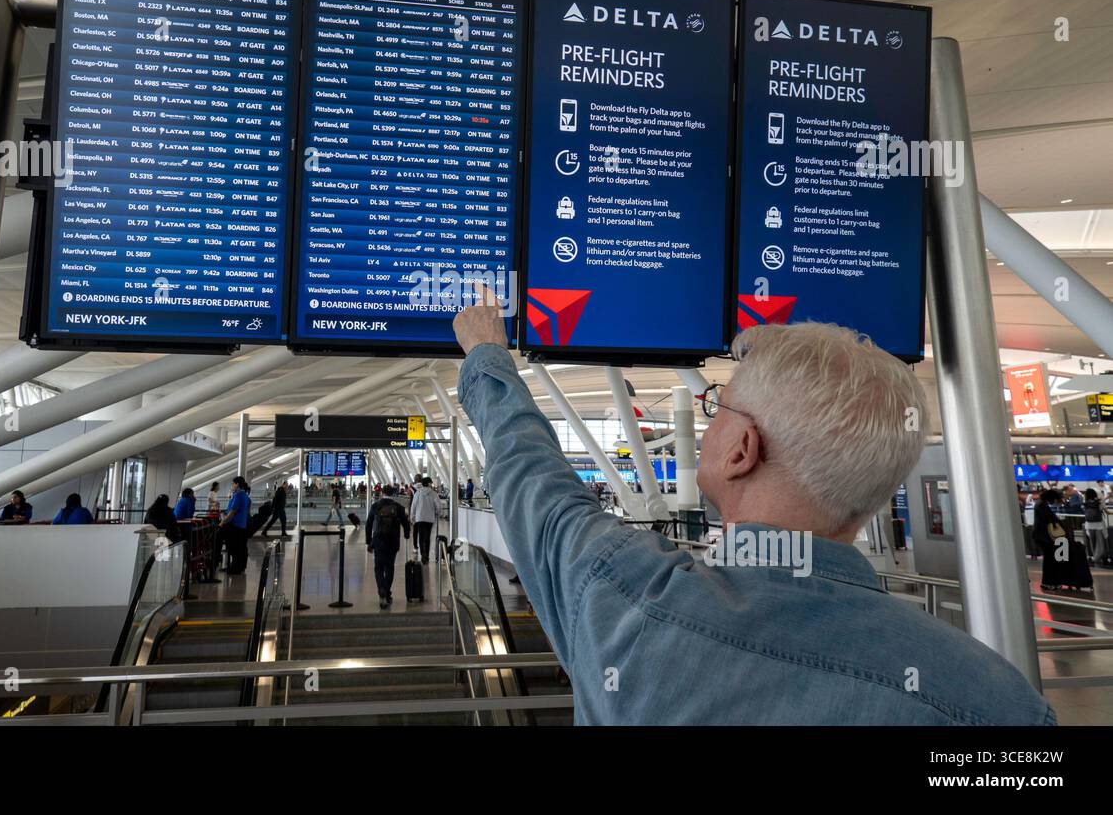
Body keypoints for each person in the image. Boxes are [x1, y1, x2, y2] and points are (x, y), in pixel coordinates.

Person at [452, 290, 1054, 725]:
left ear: (743, 449)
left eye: (719, 405)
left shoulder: (627, 598)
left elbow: (534, 482)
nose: (709, 420)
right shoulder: (997, 697)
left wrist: (486, 355)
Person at [365, 487, 410, 609]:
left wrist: (369, 542)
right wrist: (407, 535)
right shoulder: (398, 507)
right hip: (393, 541)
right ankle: (387, 592)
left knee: (379, 567)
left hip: (378, 540)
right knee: (390, 567)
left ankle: (381, 588)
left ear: (382, 493)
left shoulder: (376, 506)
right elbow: (406, 523)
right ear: (393, 493)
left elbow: (369, 524)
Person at [218, 476, 251, 575]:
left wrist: (222, 523)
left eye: (233, 484)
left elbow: (232, 512)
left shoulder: (238, 495)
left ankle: (232, 567)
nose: (232, 486)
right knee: (240, 548)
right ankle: (238, 567)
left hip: (235, 525)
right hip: (242, 526)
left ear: (237, 484)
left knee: (233, 547)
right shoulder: (245, 496)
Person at [410, 476, 441, 562]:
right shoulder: (434, 494)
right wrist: (437, 513)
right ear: (428, 483)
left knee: (421, 536)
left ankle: (422, 554)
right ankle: (426, 555)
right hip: (430, 519)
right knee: (427, 537)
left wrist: (412, 516)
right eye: (431, 483)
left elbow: (413, 506)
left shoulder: (418, 493)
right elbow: (438, 506)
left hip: (419, 518)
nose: (431, 484)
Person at [1082, 487, 1108, 566]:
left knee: (1092, 542)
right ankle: (1099, 558)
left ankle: (1094, 557)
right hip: (1098, 525)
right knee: (1100, 543)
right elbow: (1104, 509)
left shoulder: (1085, 503)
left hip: (1089, 525)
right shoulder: (1098, 502)